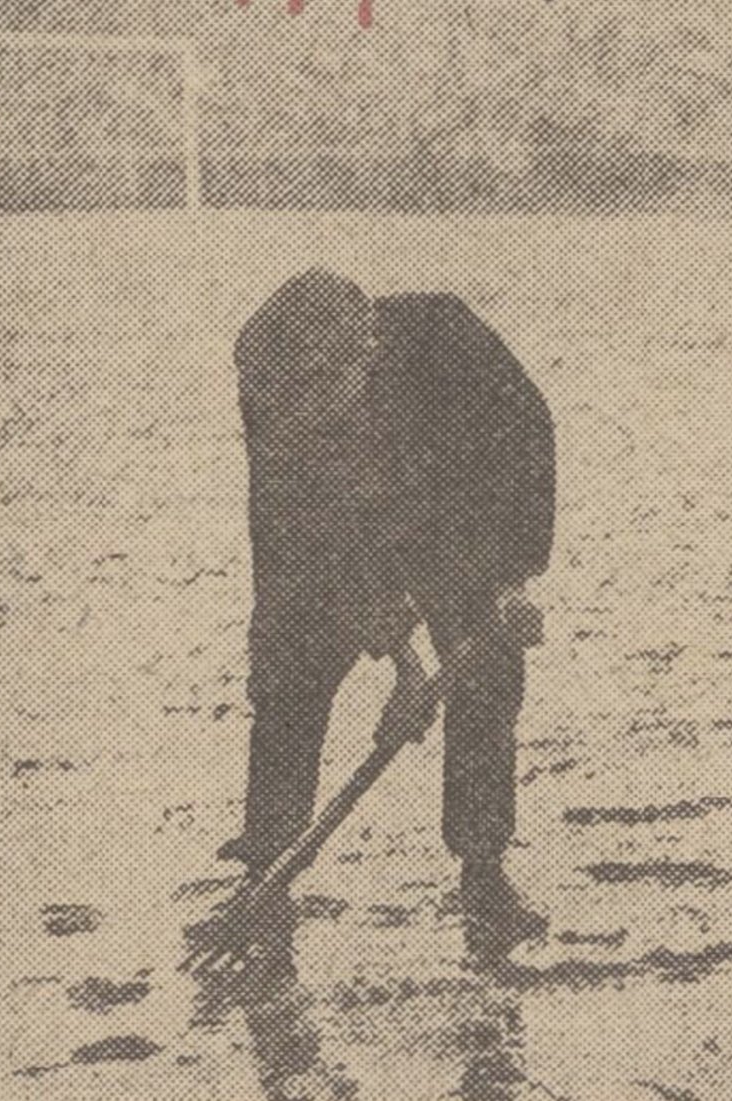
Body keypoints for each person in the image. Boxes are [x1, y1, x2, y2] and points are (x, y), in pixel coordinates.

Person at [222, 269, 555, 954]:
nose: (299, 413)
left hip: (453, 508)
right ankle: (268, 862)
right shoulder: (270, 380)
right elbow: (292, 535)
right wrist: (398, 658)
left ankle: (483, 867)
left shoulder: (448, 346)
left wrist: (513, 576)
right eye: (287, 399)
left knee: (487, 671)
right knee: (290, 665)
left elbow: (527, 439)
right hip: (335, 524)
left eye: (318, 394)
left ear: (367, 353)